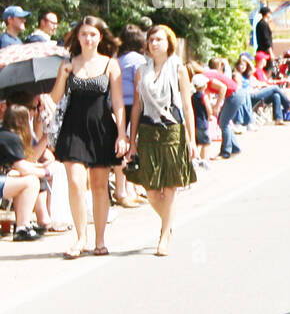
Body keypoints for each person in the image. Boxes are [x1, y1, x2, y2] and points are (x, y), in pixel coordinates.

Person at [49, 16, 129, 257]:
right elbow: (54, 99)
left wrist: (122, 134)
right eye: (84, 34)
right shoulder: (68, 63)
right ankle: (80, 237)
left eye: (93, 34)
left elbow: (118, 102)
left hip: (101, 128)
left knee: (98, 185)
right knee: (75, 182)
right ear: (78, 37)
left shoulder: (110, 65)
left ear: (100, 37)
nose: (88, 38)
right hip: (74, 129)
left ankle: (100, 240)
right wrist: (63, 76)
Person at [126, 25, 197, 256]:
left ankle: (164, 233)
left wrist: (191, 139)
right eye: (151, 39)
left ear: (169, 42)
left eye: (159, 39)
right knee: (152, 190)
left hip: (172, 129)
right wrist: (132, 138)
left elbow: (187, 105)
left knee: (170, 187)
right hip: (147, 130)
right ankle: (169, 221)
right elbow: (137, 106)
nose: (154, 43)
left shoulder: (178, 69)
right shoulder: (141, 71)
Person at [113, 25, 148, 208]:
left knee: (126, 148)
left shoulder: (118, 59)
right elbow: (140, 86)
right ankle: (124, 190)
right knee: (129, 148)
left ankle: (130, 189)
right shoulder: (137, 60)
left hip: (118, 106)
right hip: (132, 106)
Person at [0, 102, 44, 240]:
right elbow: (22, 167)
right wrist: (45, 172)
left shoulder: (5, 134)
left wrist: (40, 168)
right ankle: (22, 227)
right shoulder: (10, 138)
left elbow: (19, 164)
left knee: (24, 180)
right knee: (31, 182)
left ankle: (22, 224)